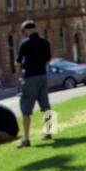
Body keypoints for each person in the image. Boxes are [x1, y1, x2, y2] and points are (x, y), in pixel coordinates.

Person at [15, 19, 52, 147]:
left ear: (25, 30)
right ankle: (49, 131)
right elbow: (48, 61)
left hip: (30, 77)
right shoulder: (44, 42)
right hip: (42, 75)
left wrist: (25, 64)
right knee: (45, 105)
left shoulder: (25, 44)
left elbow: (18, 62)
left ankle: (26, 138)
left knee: (26, 109)